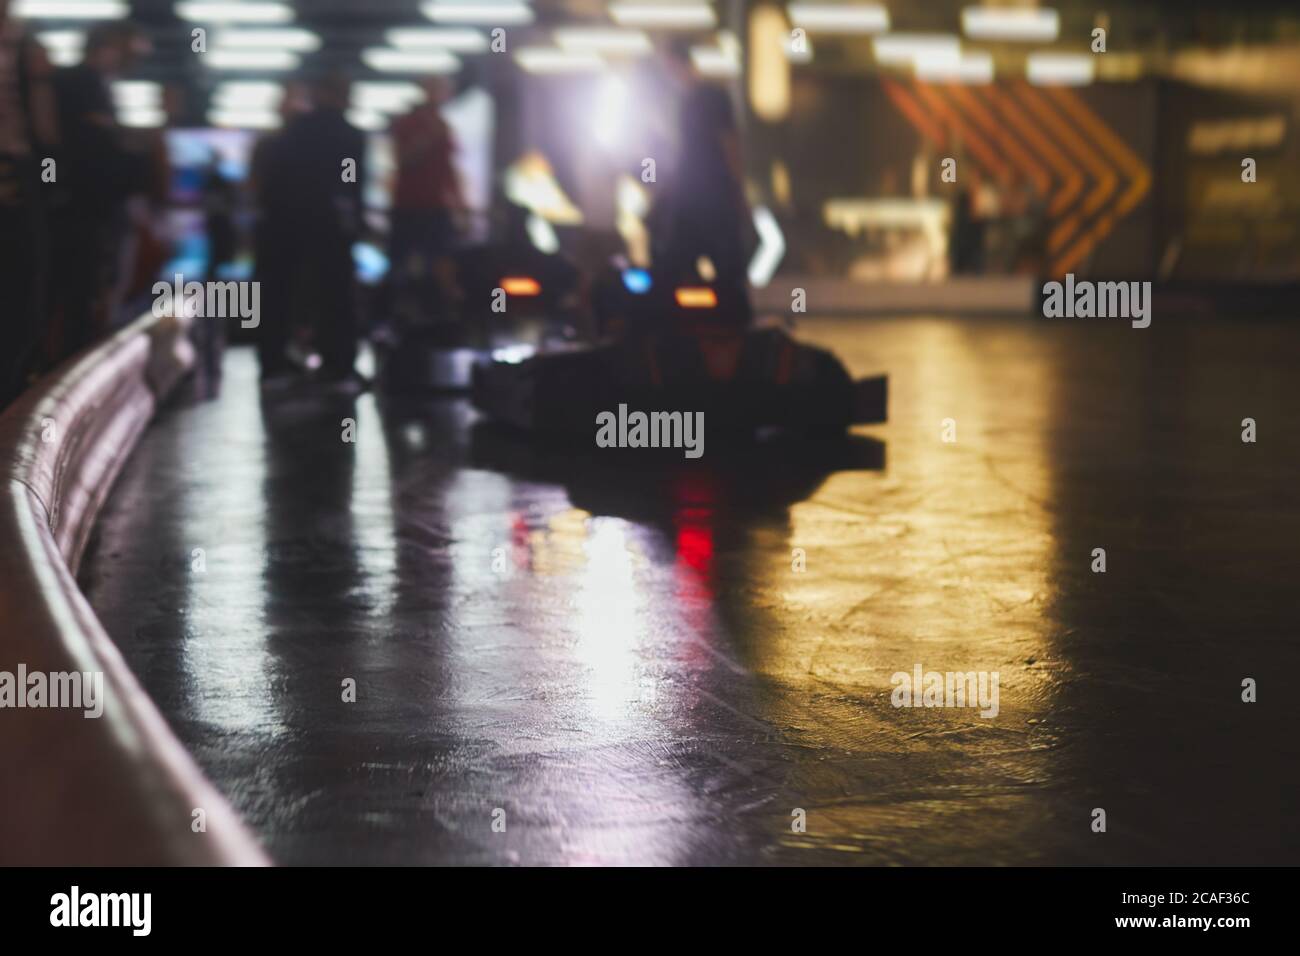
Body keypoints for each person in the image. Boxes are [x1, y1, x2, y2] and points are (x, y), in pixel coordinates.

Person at [45, 20, 149, 365]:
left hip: (91, 210)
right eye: (129, 51)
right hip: (79, 211)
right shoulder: (77, 82)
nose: (133, 59)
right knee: (75, 295)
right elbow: (81, 153)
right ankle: (63, 368)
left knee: (90, 294)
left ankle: (73, 364)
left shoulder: (98, 86)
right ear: (109, 46)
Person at [259, 73, 368, 389]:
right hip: (330, 223)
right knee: (335, 295)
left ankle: (273, 366)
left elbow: (273, 180)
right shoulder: (349, 135)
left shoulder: (293, 131)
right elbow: (350, 183)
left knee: (279, 294)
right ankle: (338, 365)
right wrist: (352, 221)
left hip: (284, 223)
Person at [653, 36, 755, 325]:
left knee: (711, 270)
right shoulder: (689, 100)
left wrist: (738, 190)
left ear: (677, 63)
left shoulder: (709, 97)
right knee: (698, 269)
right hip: (699, 197)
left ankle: (729, 329)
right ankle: (718, 327)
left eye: (668, 66)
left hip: (709, 197)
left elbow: (729, 144)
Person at [0, 0, 55, 406]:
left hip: (22, 175)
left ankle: (11, 392)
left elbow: (45, 132)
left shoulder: (25, 48)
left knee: (25, 297)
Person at [388, 75, 465, 324]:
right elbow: (403, 160)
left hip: (436, 207)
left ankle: (441, 311)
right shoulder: (407, 123)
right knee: (400, 263)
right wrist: (429, 137)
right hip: (408, 206)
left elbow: (449, 170)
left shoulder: (444, 125)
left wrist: (460, 204)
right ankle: (395, 308)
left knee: (442, 261)